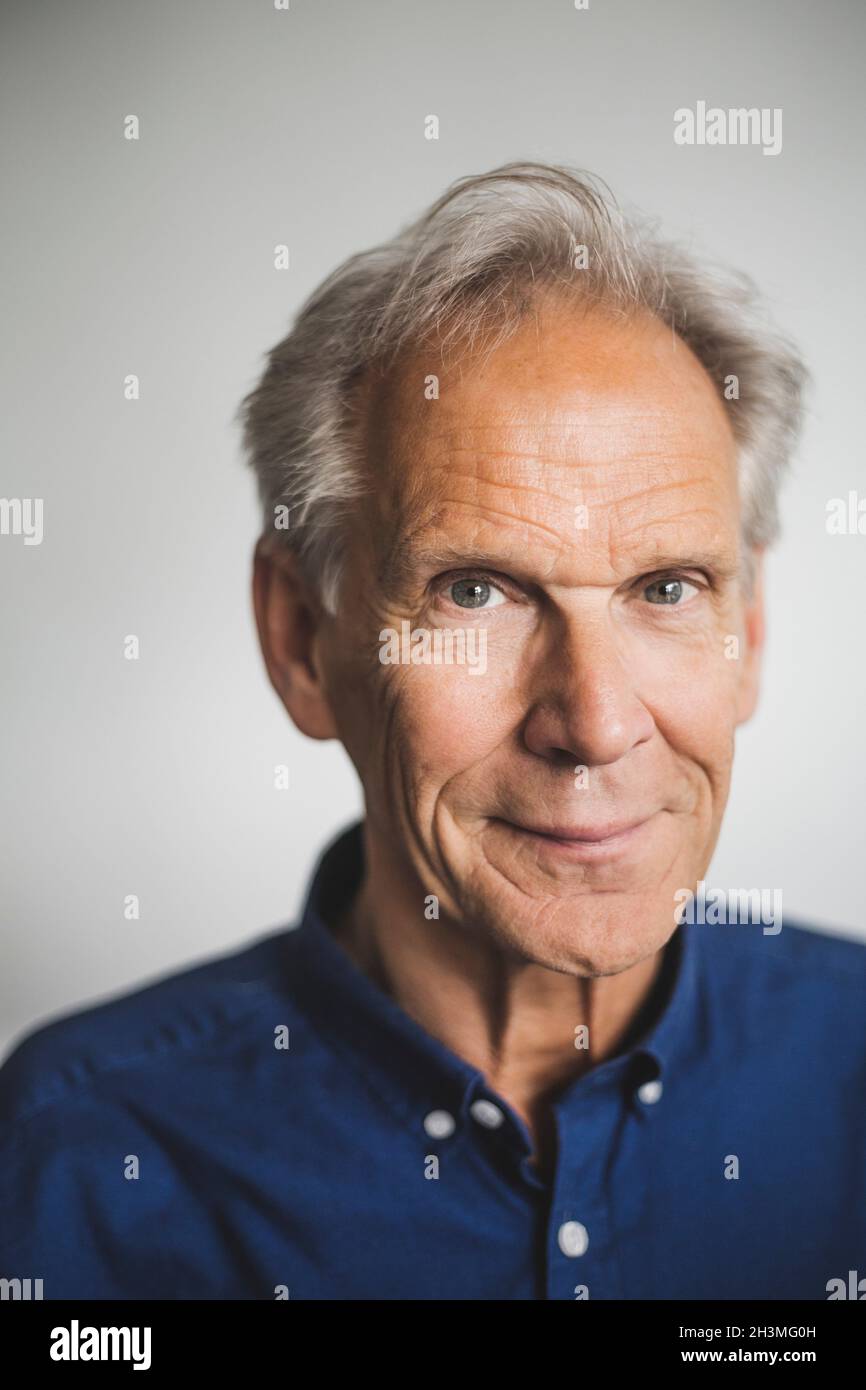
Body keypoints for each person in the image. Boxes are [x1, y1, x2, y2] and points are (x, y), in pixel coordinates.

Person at [2, 163, 864, 1301]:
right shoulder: (79, 1156)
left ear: (746, 633)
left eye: (664, 588)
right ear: (304, 642)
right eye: (474, 592)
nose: (594, 724)